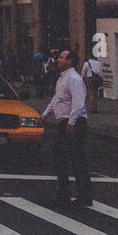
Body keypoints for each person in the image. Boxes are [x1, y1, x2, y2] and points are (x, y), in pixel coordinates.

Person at [42, 48, 92, 208]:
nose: (58, 60)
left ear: (70, 61)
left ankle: (83, 197)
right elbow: (57, 99)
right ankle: (65, 195)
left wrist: (71, 122)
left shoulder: (74, 79)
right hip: (65, 122)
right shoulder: (62, 78)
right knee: (61, 158)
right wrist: (45, 115)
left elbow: (78, 102)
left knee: (76, 160)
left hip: (74, 123)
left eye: (62, 58)